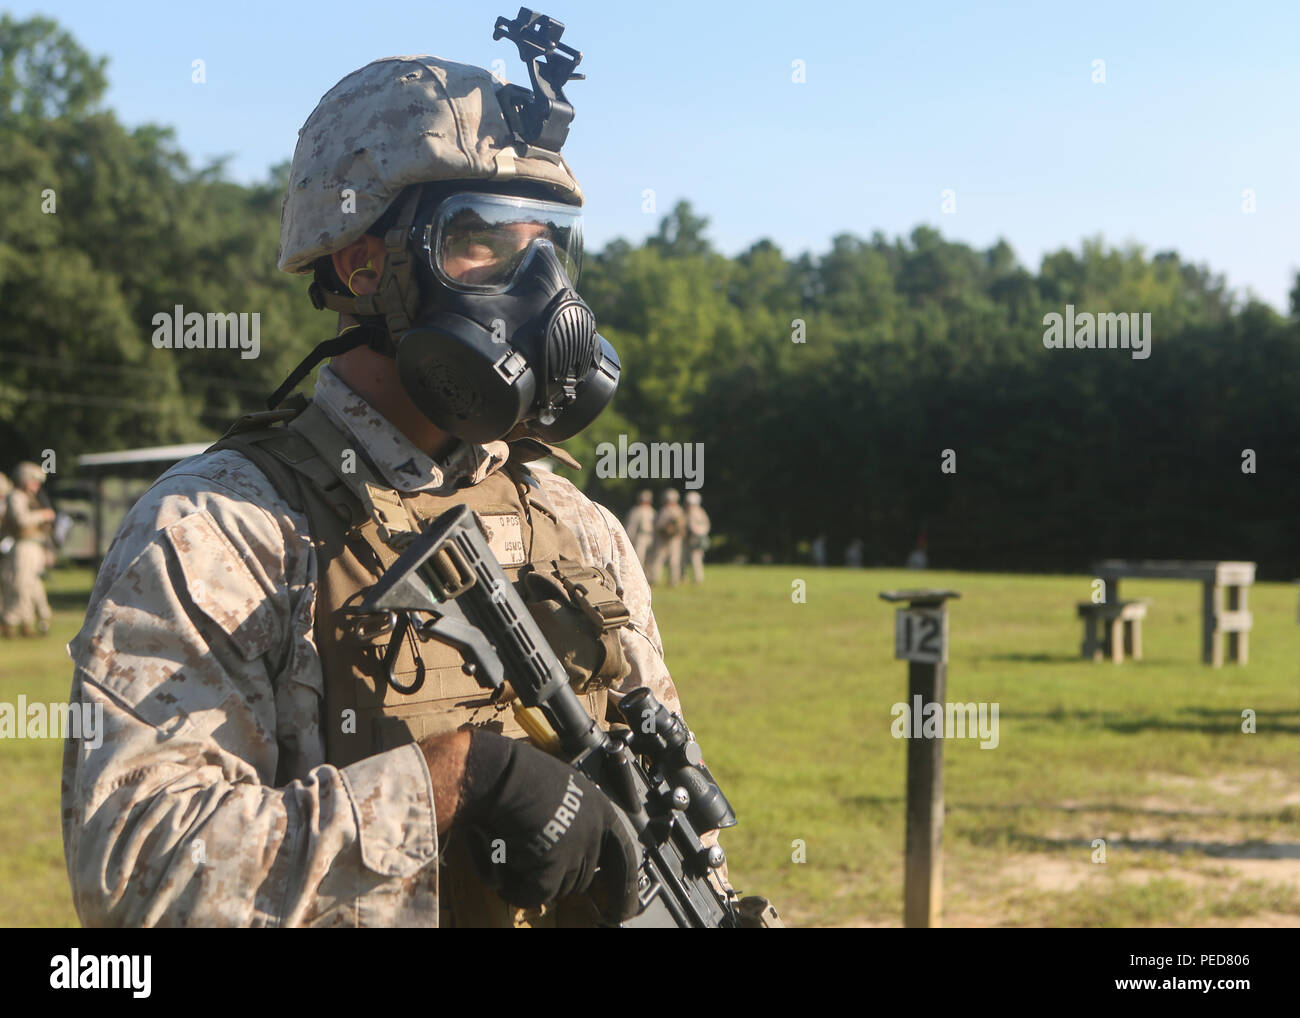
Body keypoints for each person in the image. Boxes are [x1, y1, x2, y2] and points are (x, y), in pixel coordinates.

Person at [62, 39, 770, 928]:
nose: (544, 290)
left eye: (551, 245)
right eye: (485, 238)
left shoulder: (580, 528)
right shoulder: (222, 529)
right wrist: (456, 778)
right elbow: (140, 876)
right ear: (365, 266)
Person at [1, 462, 54, 638]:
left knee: (33, 586)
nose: (36, 485)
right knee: (20, 584)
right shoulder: (16, 496)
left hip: (35, 545)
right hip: (23, 545)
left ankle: (33, 620)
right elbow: (21, 520)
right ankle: (19, 622)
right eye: (34, 481)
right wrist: (43, 515)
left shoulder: (33, 498)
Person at [646, 489, 686, 587]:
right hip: (663, 538)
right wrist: (666, 529)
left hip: (674, 539)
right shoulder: (665, 510)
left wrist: (674, 529)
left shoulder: (676, 510)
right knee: (659, 559)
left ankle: (672, 581)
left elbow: (682, 526)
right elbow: (659, 526)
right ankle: (655, 579)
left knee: (673, 561)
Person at [684, 491, 711, 585]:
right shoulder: (700, 511)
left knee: (695, 559)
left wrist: (698, 532)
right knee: (693, 559)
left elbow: (693, 526)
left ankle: (697, 579)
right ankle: (692, 578)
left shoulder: (694, 512)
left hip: (694, 539)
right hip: (694, 538)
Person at [625, 489, 655, 567]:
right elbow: (631, 526)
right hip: (640, 536)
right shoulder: (636, 511)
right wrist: (629, 538)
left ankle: (649, 576)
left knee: (650, 558)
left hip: (651, 536)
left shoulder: (652, 511)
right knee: (639, 557)